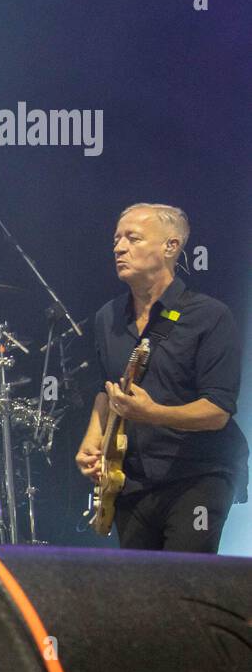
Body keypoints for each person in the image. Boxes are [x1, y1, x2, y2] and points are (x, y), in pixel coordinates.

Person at [75, 203, 248, 552]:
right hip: (132, 479)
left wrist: (152, 413)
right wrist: (92, 442)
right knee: (140, 591)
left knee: (183, 583)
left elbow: (217, 410)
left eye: (133, 238)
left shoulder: (210, 316)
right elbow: (106, 390)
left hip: (199, 475)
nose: (119, 247)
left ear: (171, 247)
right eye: (117, 239)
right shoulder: (107, 317)